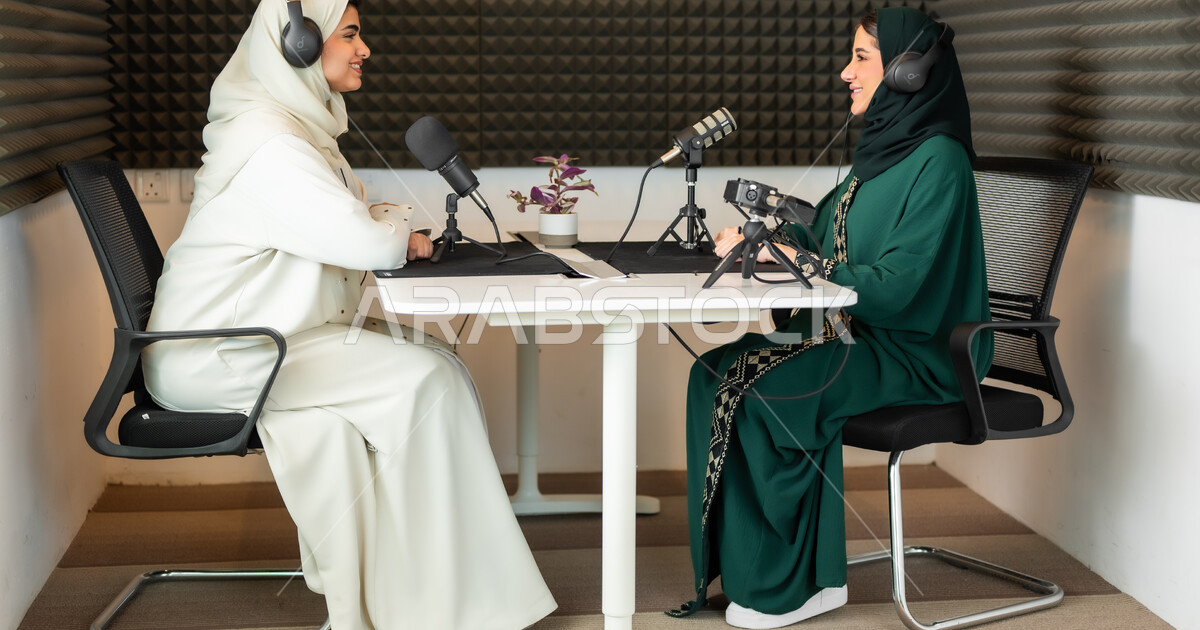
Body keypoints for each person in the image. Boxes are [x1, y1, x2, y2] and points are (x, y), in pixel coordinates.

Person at [141, 1, 556, 628]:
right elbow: (366, 237)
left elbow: (362, 217)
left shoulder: (298, 131)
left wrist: (383, 221)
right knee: (429, 380)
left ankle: (414, 602)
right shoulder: (270, 145)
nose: (365, 50)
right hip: (223, 352)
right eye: (351, 34)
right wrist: (392, 223)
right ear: (300, 45)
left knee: (430, 361)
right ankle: (453, 607)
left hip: (263, 341)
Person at [670, 7, 992, 629]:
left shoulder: (940, 161)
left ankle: (804, 584)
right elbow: (823, 232)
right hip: (858, 337)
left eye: (862, 59)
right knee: (714, 372)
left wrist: (796, 259)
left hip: (921, 355)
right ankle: (746, 569)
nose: (846, 72)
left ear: (908, 72)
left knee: (768, 392)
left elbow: (897, 289)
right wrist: (768, 239)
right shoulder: (880, 156)